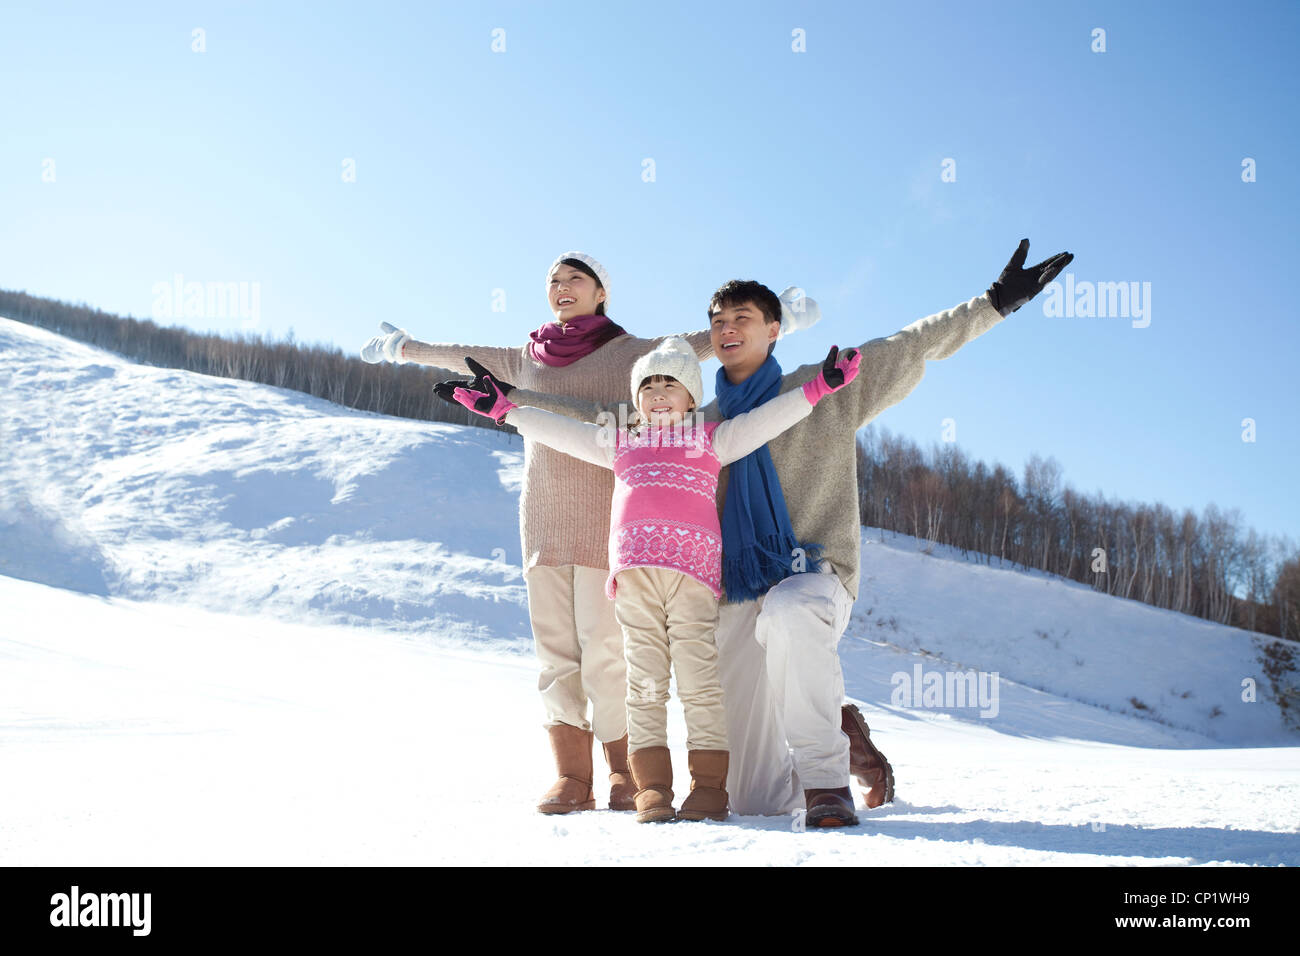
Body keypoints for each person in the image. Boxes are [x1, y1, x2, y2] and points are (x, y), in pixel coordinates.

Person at [498, 239, 1072, 825]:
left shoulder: (822, 389)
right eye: (717, 321)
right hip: (736, 589)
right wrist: (506, 400)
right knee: (752, 799)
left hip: (812, 575)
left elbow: (911, 345)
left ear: (774, 329)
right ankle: (845, 731)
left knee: (791, 614)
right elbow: (600, 429)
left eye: (742, 318)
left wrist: (993, 303)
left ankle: (827, 785)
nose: (726, 329)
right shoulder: (695, 423)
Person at [360, 252, 820, 814]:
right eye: (554, 280)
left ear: (603, 291)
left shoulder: (630, 354)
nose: (562, 287)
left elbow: (697, 347)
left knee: (608, 655)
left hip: (617, 525)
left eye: (576, 278)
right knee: (556, 655)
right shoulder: (525, 357)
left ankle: (627, 774)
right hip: (546, 516)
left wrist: (779, 325)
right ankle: (571, 777)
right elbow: (466, 357)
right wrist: (405, 348)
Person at [442, 336, 862, 823]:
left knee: (700, 683)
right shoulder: (620, 442)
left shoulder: (711, 439)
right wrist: (505, 410)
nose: (658, 394)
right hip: (635, 580)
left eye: (671, 384)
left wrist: (818, 388)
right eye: (648, 386)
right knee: (643, 683)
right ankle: (653, 789)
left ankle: (708, 787)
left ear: (691, 397)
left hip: (693, 579)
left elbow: (765, 421)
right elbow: (559, 430)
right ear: (636, 398)